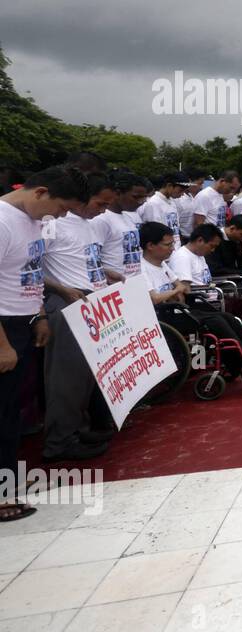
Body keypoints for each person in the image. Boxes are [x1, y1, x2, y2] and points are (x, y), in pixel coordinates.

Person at [1, 165, 89, 521]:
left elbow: (30, 272)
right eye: (62, 207)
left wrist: (38, 314)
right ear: (40, 192)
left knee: (11, 410)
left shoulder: (33, 221)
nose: (61, 216)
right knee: (1, 412)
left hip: (23, 322)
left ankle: (6, 482)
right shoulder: (3, 221)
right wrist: (3, 344)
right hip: (3, 328)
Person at [136, 222, 242, 382]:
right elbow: (156, 298)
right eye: (167, 245)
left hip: (180, 307)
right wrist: (175, 291)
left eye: (172, 244)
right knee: (218, 320)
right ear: (150, 245)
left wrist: (175, 291)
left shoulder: (162, 264)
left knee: (228, 317)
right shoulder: (142, 268)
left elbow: (182, 287)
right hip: (166, 314)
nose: (172, 248)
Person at [40, 173, 119, 462]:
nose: (104, 209)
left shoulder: (90, 225)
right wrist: (61, 288)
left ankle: (77, 428)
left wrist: (105, 273)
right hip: (68, 305)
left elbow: (83, 259)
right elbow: (33, 267)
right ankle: (59, 442)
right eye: (100, 202)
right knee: (67, 380)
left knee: (87, 377)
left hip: (94, 303)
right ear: (81, 199)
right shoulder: (53, 224)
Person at [92, 170, 148, 279]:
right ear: (117, 193)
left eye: (143, 198)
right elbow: (93, 257)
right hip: (114, 285)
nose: (140, 202)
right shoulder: (101, 219)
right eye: (136, 197)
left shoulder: (129, 218)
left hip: (135, 282)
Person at [139, 172, 185, 242]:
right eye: (180, 191)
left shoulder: (172, 202)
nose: (182, 194)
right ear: (169, 186)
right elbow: (155, 233)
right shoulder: (153, 203)